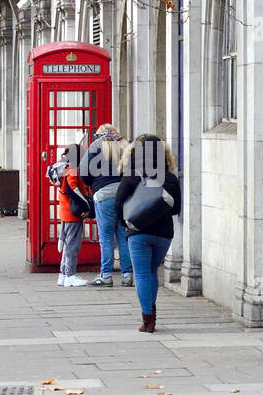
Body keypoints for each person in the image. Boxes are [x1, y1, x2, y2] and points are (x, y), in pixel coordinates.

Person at [114, 134, 181, 333]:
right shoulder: (170, 178)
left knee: (142, 275)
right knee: (152, 272)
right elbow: (176, 208)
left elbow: (118, 204)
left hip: (138, 233)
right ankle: (150, 313)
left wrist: (125, 222)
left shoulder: (132, 175)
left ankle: (148, 320)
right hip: (163, 235)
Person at [79, 123, 131, 287]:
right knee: (123, 236)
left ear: (100, 134)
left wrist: (93, 183)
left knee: (106, 237)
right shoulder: (125, 144)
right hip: (125, 195)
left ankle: (106, 275)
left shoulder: (96, 145)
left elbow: (83, 171)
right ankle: (127, 275)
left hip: (104, 195)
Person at [51, 144, 91, 287]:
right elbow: (73, 188)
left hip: (64, 211)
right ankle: (70, 275)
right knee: (72, 246)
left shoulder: (64, 168)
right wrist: (86, 205)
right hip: (73, 213)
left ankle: (63, 274)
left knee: (67, 243)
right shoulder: (73, 170)